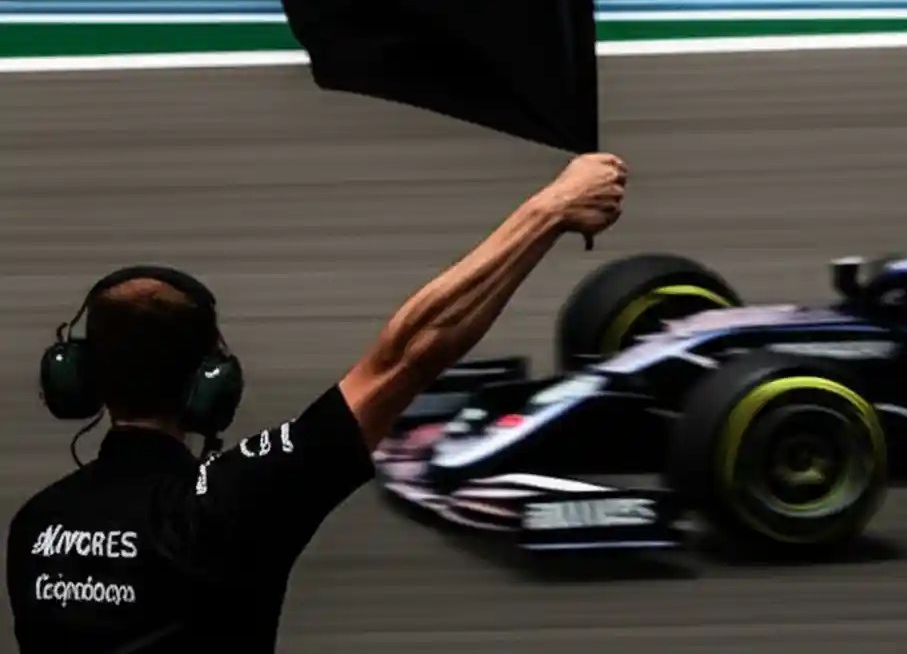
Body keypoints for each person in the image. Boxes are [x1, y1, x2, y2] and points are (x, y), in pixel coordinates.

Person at [6, 152, 629, 653]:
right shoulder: (232, 500)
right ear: (211, 383)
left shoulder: (34, 529)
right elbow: (410, 353)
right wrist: (550, 209)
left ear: (78, 379)